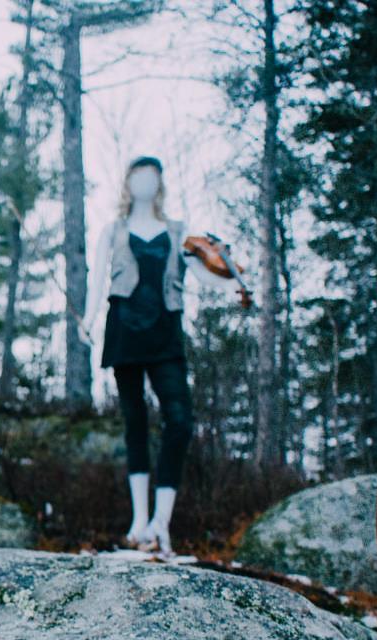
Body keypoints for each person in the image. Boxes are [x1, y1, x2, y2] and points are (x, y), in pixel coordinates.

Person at [84, 156, 251, 556]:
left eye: (152, 176)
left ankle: (163, 521)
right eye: (138, 175)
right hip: (124, 328)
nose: (145, 181)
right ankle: (140, 521)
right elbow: (96, 277)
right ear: (128, 182)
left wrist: (236, 284)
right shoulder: (114, 229)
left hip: (165, 332)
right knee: (135, 423)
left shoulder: (178, 233)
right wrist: (87, 319)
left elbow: (206, 275)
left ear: (159, 184)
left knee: (180, 420)